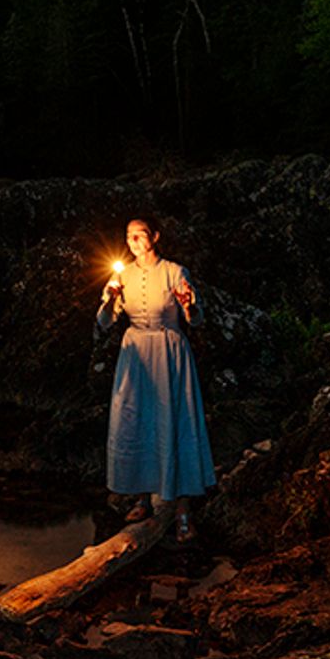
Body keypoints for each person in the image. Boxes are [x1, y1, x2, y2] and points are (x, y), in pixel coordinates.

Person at [96, 217, 214, 544]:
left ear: (155, 236)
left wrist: (188, 305)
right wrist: (109, 298)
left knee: (175, 422)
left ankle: (182, 509)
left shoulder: (175, 271)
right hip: (135, 354)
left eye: (140, 235)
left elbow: (197, 317)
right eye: (128, 236)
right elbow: (104, 323)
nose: (133, 242)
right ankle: (142, 498)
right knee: (136, 421)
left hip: (169, 353)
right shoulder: (122, 274)